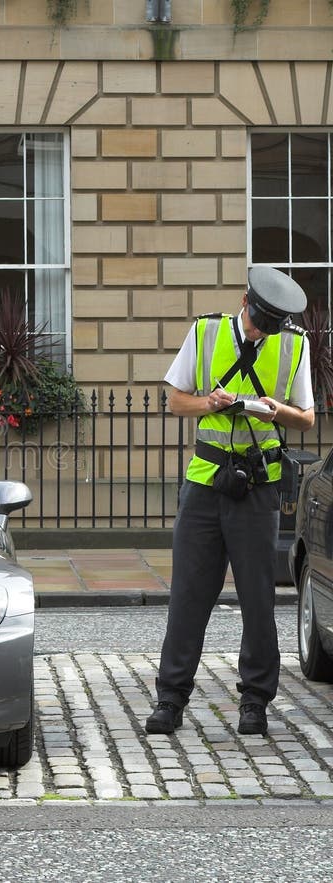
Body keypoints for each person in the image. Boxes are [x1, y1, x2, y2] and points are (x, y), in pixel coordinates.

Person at [146, 266, 315, 737]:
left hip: (259, 486)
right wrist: (211, 404)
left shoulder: (294, 346)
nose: (262, 330)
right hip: (204, 482)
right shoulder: (204, 332)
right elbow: (176, 400)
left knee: (258, 598)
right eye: (259, 319)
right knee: (188, 596)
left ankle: (255, 701)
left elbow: (307, 418)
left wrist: (274, 410)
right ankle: (170, 698)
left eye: (271, 324)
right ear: (245, 302)